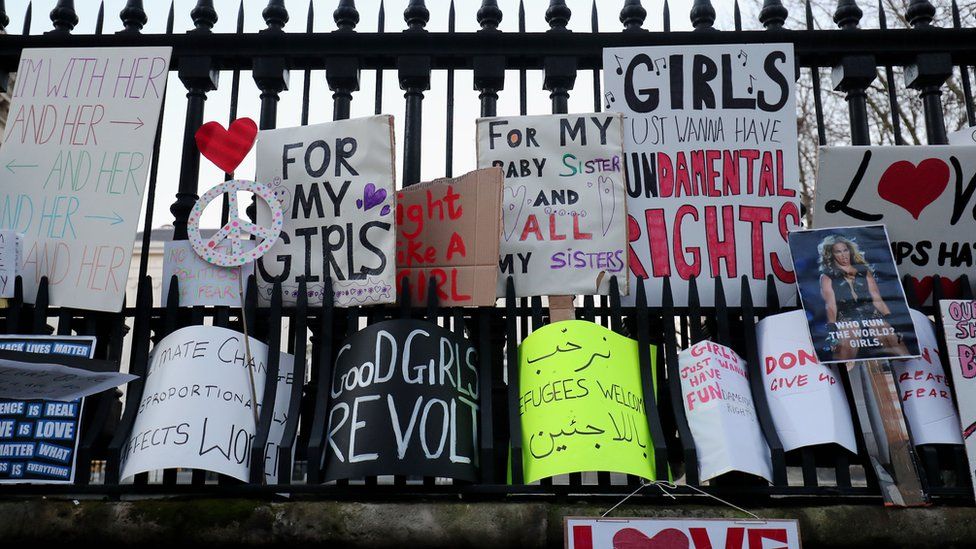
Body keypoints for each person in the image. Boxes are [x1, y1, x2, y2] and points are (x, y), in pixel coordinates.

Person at [818, 234, 909, 361]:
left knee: (894, 341)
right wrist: (832, 330)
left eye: (845, 250)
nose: (843, 254)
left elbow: (877, 299)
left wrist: (893, 322)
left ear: (850, 250)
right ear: (831, 254)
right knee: (850, 332)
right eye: (838, 252)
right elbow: (831, 305)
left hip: (871, 316)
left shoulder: (864, 271)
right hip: (847, 319)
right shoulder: (827, 277)